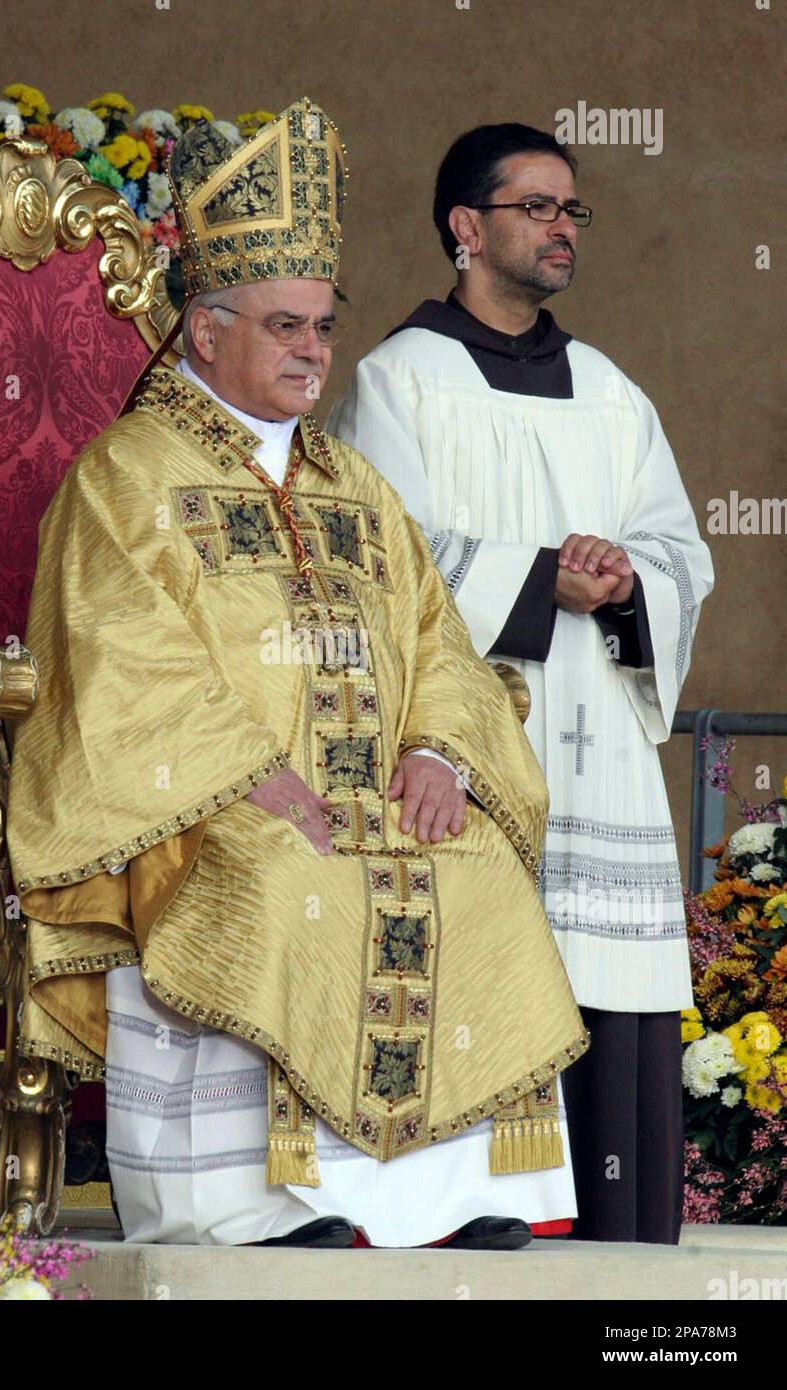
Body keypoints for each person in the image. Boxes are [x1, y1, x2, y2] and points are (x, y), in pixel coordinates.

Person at [7, 100, 588, 1251]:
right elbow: (114, 655)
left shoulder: (353, 483)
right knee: (279, 879)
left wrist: (438, 753)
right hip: (204, 807)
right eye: (284, 326)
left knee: (475, 865)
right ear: (205, 328)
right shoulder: (127, 477)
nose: (313, 351)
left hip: (376, 792)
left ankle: (439, 1197)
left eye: (323, 325)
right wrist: (235, 775)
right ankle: (254, 1202)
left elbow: (436, 641)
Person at [328, 122, 714, 1244]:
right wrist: (547, 579)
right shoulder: (399, 379)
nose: (561, 229)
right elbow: (386, 564)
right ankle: (496, 1232)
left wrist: (627, 576)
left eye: (570, 211)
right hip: (474, 736)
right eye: (536, 207)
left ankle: (620, 1246)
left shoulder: (606, 387)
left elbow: (682, 549)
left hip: (602, 730)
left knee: (606, 975)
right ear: (465, 227)